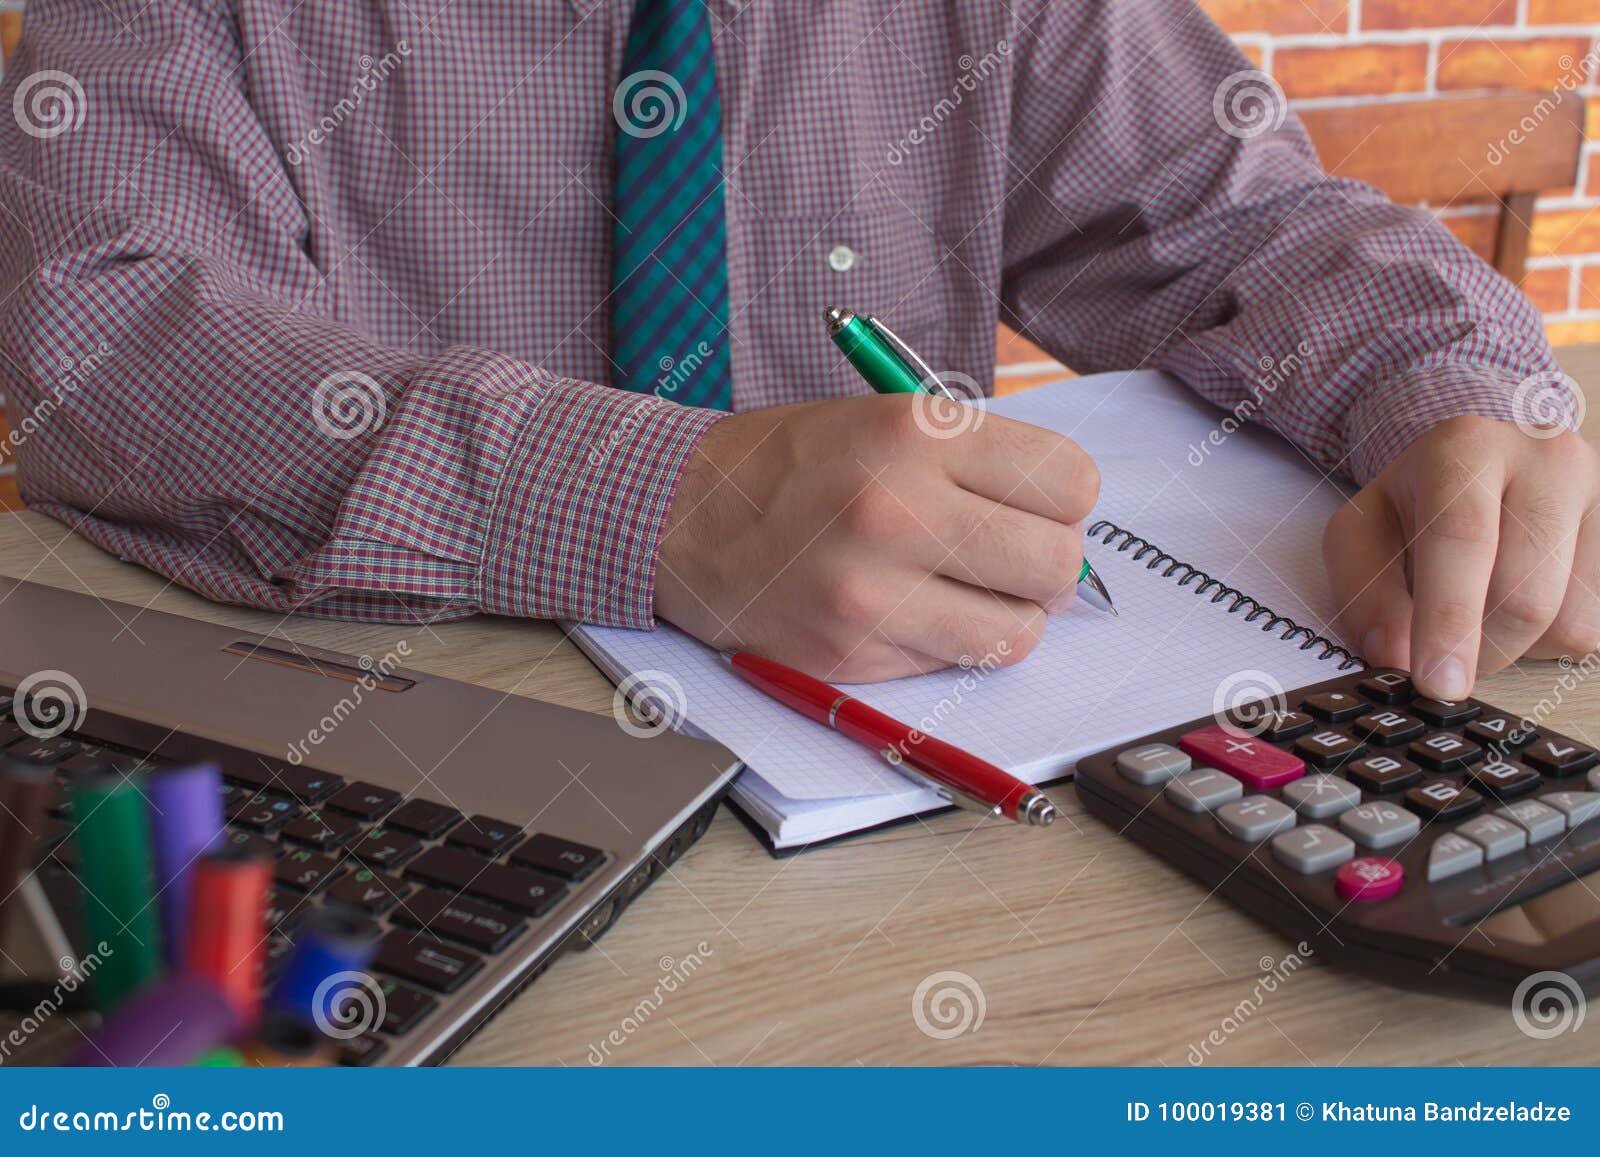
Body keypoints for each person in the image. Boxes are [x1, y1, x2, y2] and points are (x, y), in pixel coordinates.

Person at [0, 1, 1593, 700]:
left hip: (907, 823)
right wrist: (656, 502)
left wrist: (1452, 390)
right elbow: (106, 335)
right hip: (403, 820)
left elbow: (1248, 223)